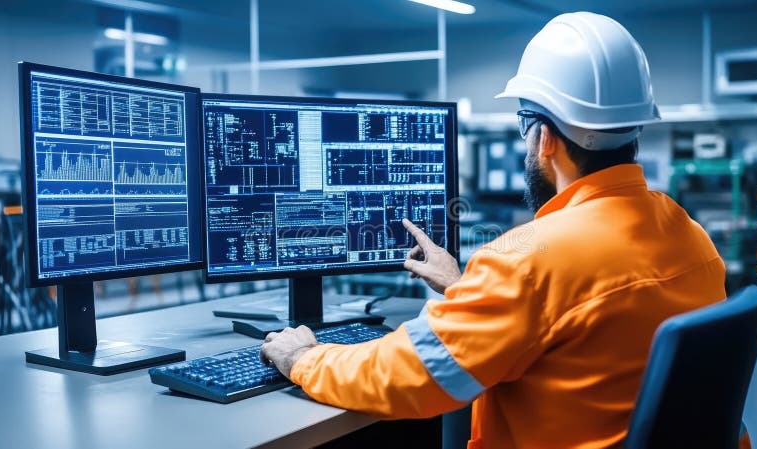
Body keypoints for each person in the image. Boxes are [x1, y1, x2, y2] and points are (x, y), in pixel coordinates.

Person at [262, 12, 728, 449]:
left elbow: (410, 375)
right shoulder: (687, 233)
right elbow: (583, 324)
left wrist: (303, 358)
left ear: (543, 137)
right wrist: (468, 290)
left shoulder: (528, 259)